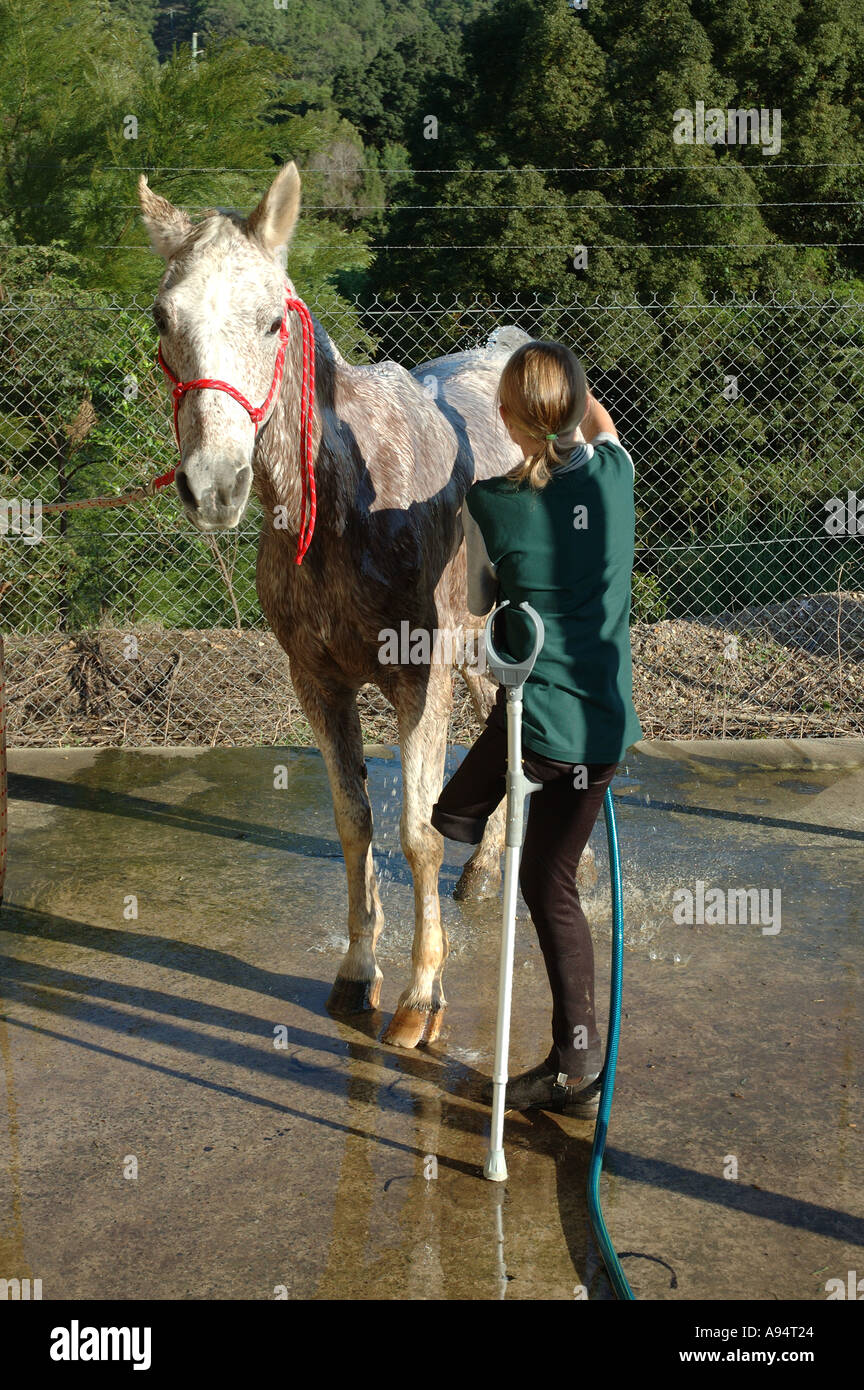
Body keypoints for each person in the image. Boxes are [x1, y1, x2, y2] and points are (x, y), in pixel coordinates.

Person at [430, 339, 643, 1118]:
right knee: (548, 878)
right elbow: (601, 424)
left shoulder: (489, 501)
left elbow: (485, 599)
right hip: (607, 733)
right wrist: (570, 402)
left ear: (505, 417)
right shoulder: (616, 480)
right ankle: (575, 1065)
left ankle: (459, 820)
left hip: (540, 729)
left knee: (451, 816)